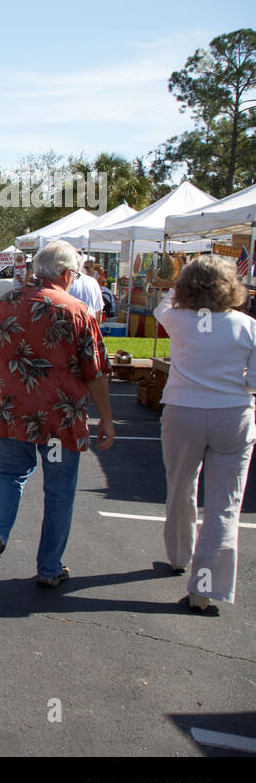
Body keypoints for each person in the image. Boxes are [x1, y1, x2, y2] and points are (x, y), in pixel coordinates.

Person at [0, 239, 114, 589]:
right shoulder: (76, 310)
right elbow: (95, 370)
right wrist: (107, 418)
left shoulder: (5, 305)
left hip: (12, 411)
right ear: (66, 274)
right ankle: (49, 568)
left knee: (9, 473)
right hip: (59, 418)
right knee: (58, 490)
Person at [153, 257, 256, 616]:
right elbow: (254, 381)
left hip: (184, 411)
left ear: (185, 287)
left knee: (180, 485)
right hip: (233, 413)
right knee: (225, 505)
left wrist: (176, 282)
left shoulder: (177, 319)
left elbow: (163, 304)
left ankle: (180, 555)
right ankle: (205, 589)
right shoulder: (247, 325)